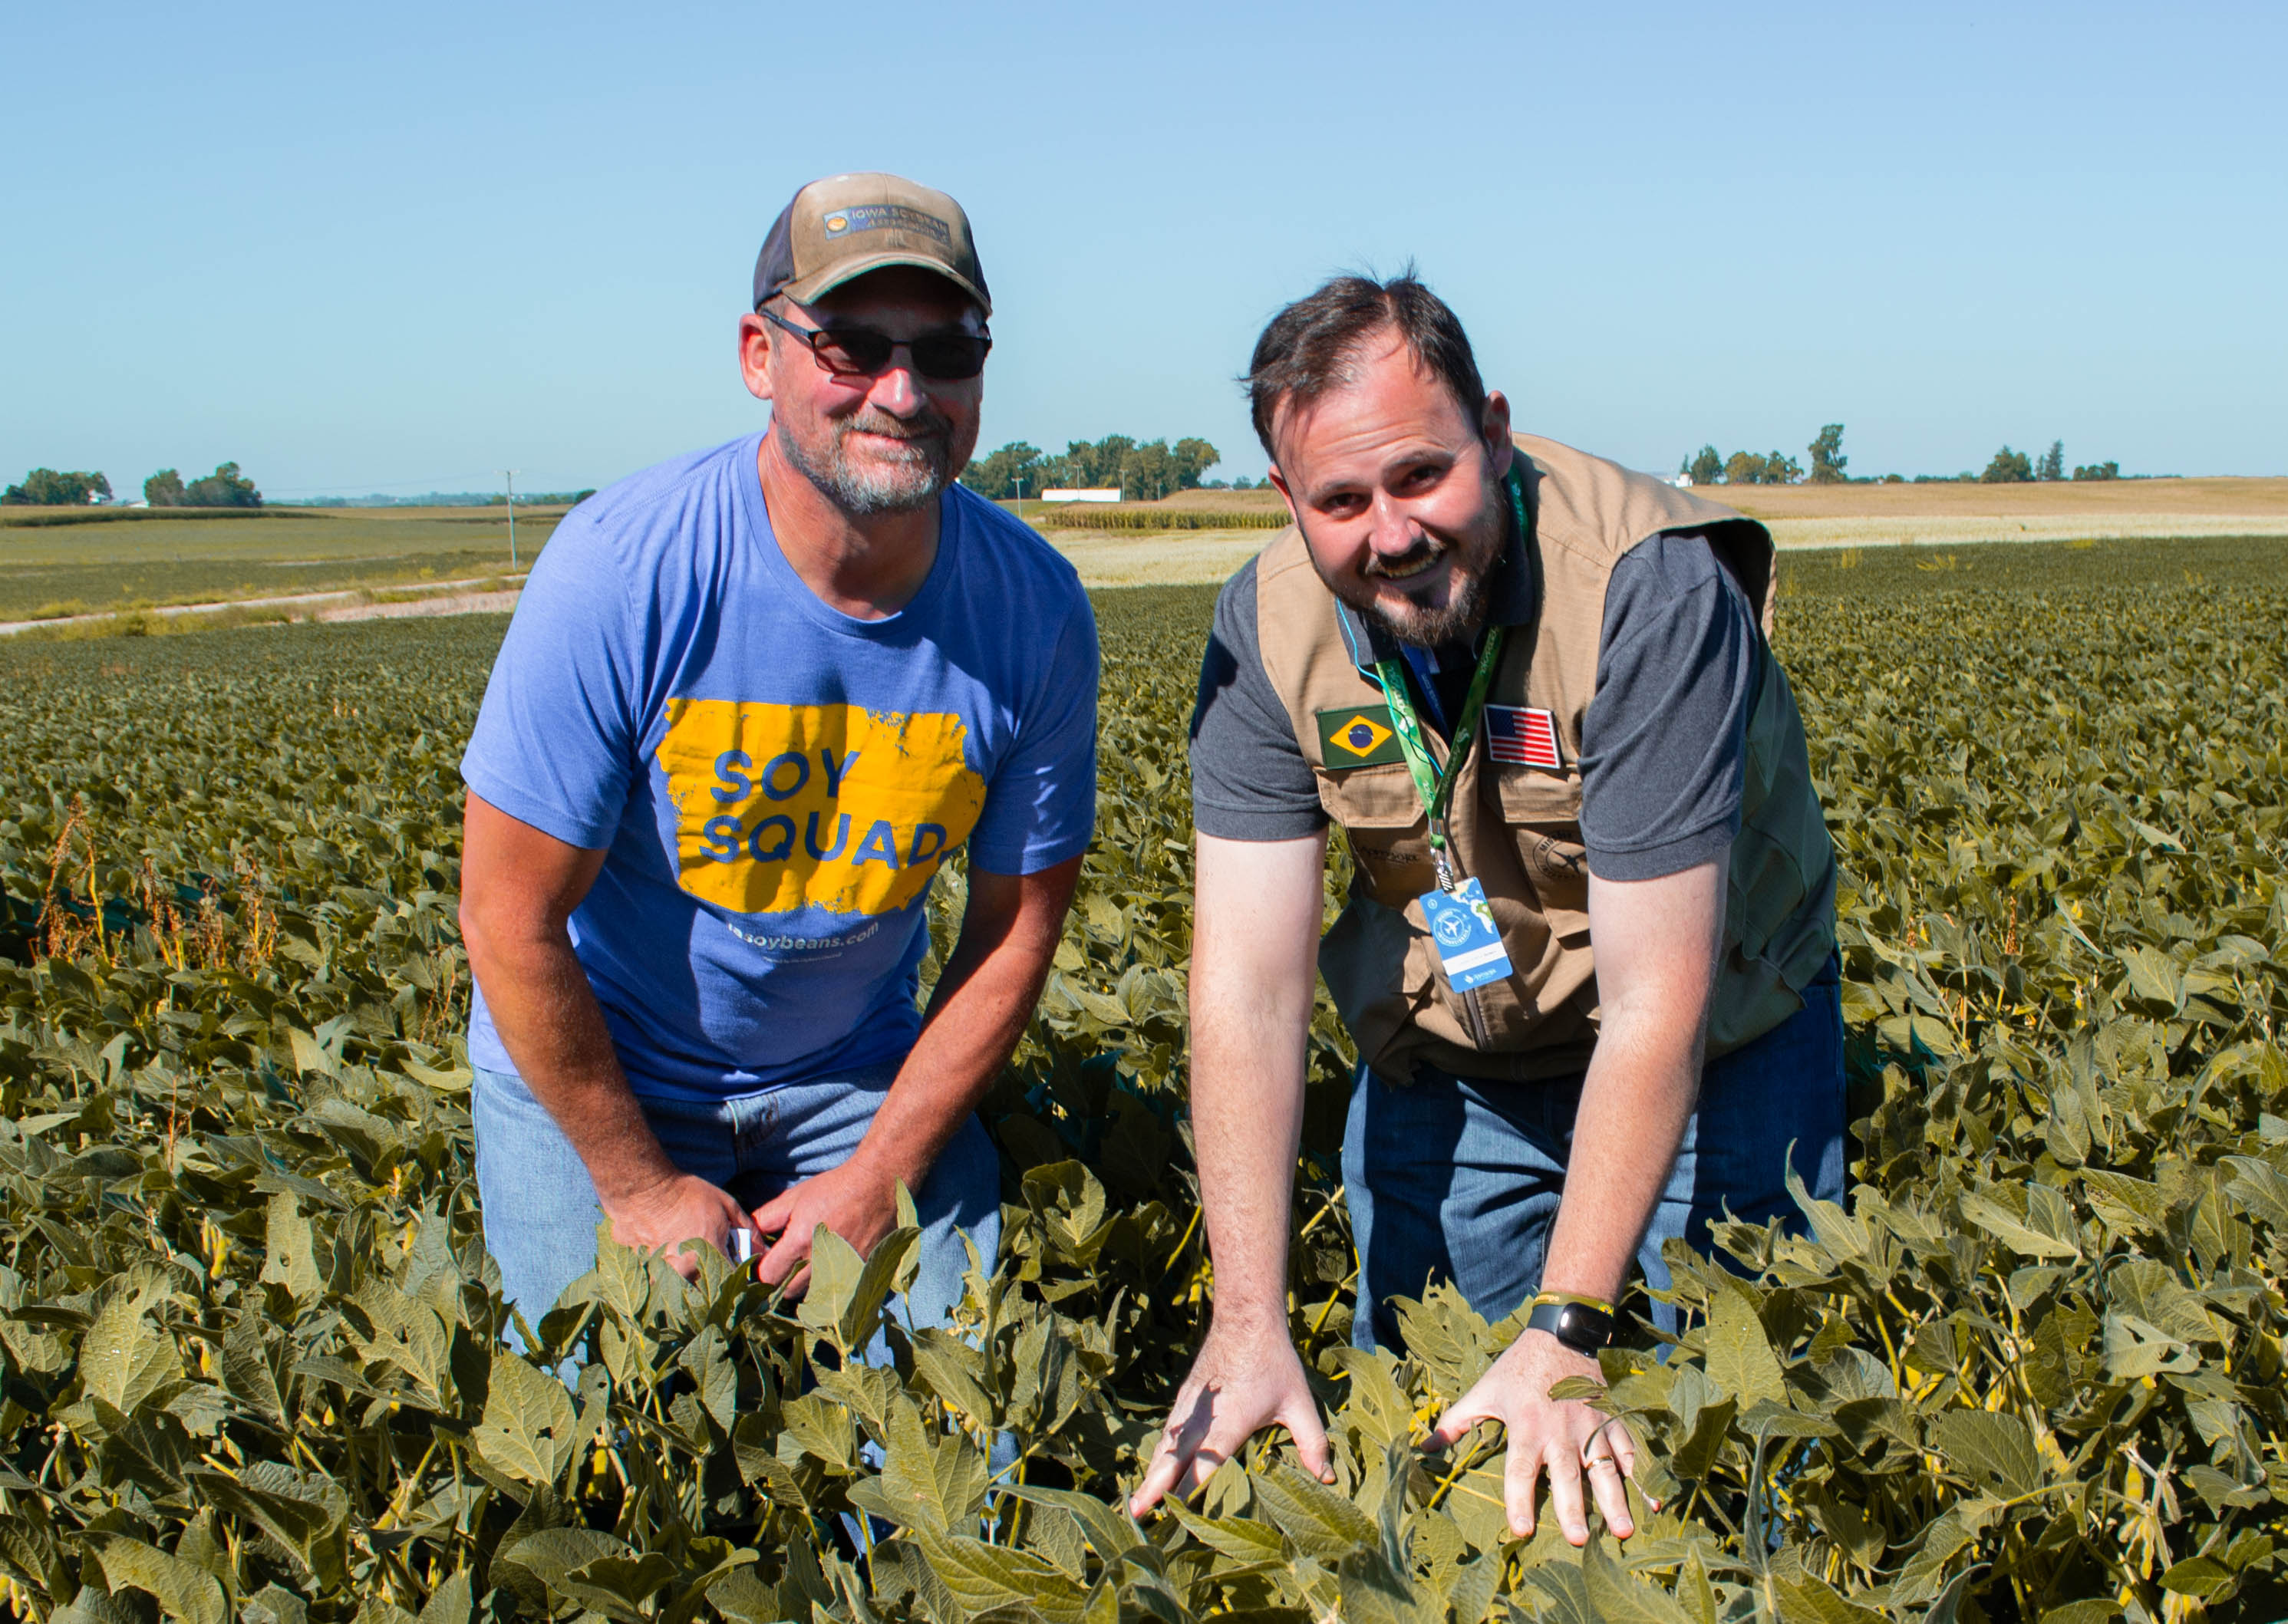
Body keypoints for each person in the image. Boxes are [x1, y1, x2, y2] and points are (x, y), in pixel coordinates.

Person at [1131, 274, 1839, 1547]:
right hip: (1460, 1050)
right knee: (1441, 1458)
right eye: (1340, 500)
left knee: (1722, 1458)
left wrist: (1567, 1328)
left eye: (1420, 475)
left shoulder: (1646, 589)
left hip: (1716, 1034)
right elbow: (1246, 983)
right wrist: (1247, 1318)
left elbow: (1654, 1000)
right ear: (1285, 500)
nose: (1390, 532)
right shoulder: (1263, 630)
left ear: (1494, 434)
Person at [457, 173, 1097, 1344]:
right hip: (605, 1064)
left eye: (947, 352)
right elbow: (508, 917)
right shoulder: (624, 569)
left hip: (851, 1077)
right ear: (761, 355)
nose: (902, 392)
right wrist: (640, 1187)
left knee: (965, 1448)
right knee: (586, 1437)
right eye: (851, 345)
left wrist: (879, 1176)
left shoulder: (1036, 609)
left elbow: (1014, 930)